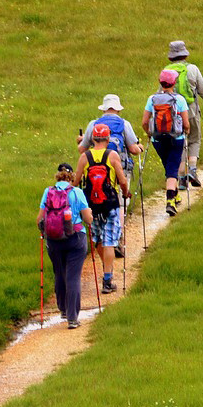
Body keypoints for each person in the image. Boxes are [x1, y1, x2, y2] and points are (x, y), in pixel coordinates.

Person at [78, 95, 143, 260]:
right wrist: (140, 147)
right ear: (118, 109)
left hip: (96, 169)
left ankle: (98, 235)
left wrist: (79, 140)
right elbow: (133, 149)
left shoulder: (93, 125)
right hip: (119, 166)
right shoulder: (124, 124)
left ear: (103, 109)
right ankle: (117, 238)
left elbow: (82, 149)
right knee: (119, 203)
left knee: (97, 196)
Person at [74, 123, 130, 294]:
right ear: (107, 139)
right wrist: (126, 193)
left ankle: (107, 270)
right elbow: (122, 180)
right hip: (110, 203)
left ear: (92, 139)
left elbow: (76, 182)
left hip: (92, 206)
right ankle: (107, 278)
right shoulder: (112, 155)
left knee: (98, 240)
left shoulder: (85, 157)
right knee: (110, 242)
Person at [38, 163, 92, 329]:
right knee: (73, 276)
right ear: (71, 177)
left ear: (58, 176)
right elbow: (88, 218)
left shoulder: (48, 192)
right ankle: (72, 318)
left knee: (59, 273)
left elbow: (40, 219)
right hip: (75, 238)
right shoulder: (77, 192)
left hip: (54, 240)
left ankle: (62, 309)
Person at [142, 69, 191, 217]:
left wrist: (149, 133)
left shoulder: (152, 99)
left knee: (169, 166)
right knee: (172, 169)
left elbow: (145, 121)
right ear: (174, 83)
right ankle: (170, 201)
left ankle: (175, 194)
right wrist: (186, 131)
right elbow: (186, 123)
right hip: (176, 138)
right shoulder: (179, 99)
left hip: (158, 139)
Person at [166, 42, 203, 191]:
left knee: (180, 142)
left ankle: (182, 178)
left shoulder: (166, 71)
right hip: (191, 111)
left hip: (172, 114)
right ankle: (192, 170)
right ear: (185, 54)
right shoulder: (192, 69)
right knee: (194, 139)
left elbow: (160, 94)